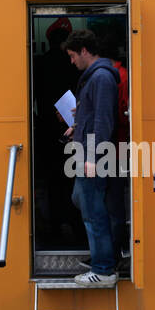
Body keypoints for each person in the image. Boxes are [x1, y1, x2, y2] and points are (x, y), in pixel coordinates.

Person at [62, 28, 121, 286]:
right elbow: (94, 115)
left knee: (93, 211)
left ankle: (104, 269)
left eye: (73, 55)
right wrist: (77, 124)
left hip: (92, 155)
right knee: (83, 200)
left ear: (85, 51)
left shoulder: (101, 79)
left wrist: (94, 157)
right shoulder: (96, 78)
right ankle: (104, 257)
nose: (71, 61)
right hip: (86, 150)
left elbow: (103, 120)